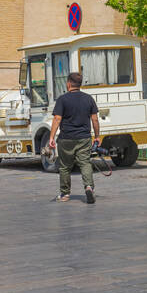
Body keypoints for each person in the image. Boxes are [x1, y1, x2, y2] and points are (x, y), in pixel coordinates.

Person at [46, 71, 101, 204]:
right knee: (85, 163)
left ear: (69, 83)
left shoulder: (62, 99)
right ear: (79, 84)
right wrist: (97, 136)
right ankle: (89, 187)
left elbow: (57, 119)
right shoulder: (88, 99)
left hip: (66, 138)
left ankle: (65, 194)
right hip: (84, 138)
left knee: (64, 166)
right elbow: (94, 120)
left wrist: (51, 137)